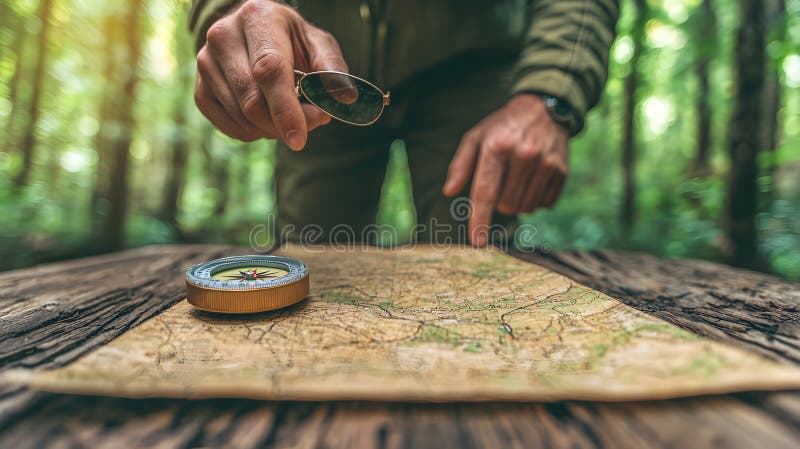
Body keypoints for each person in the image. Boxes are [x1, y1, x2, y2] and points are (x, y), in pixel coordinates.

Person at [189, 0, 619, 246]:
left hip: (474, 67)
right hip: (319, 75)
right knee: (311, 269)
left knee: (474, 271)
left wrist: (551, 90)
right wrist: (234, 14)